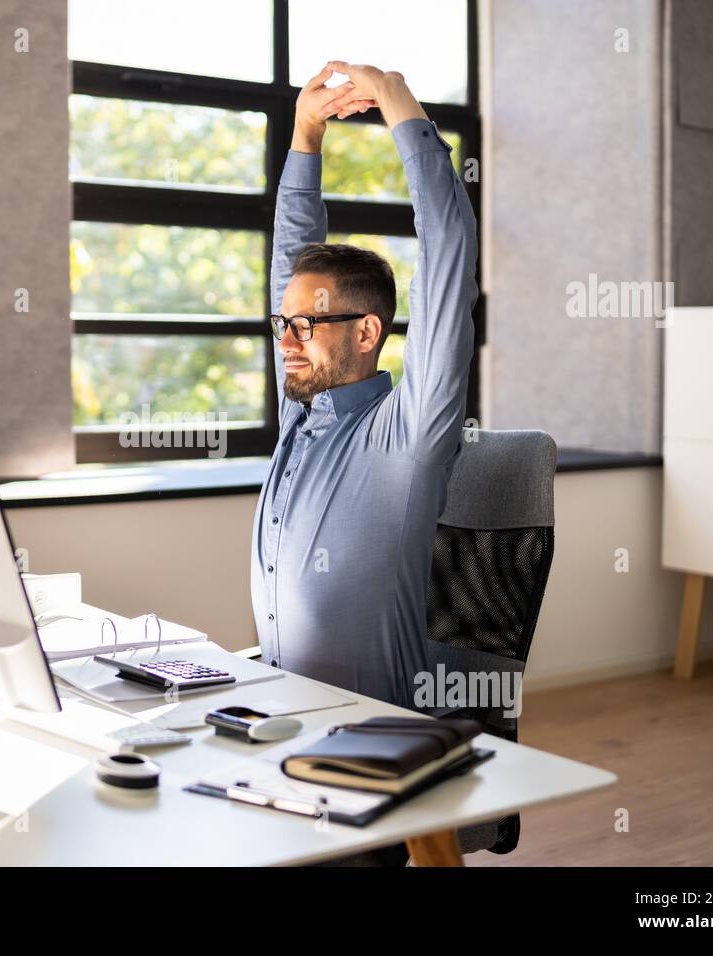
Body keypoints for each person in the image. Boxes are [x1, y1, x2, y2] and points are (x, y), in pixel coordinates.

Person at [251, 61, 478, 710]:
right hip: (279, 728)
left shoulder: (409, 432)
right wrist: (305, 136)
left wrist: (402, 109)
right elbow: (289, 258)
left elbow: (448, 252)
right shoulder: (302, 410)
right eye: (282, 322)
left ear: (366, 332)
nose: (287, 339)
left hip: (373, 751)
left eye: (306, 323)